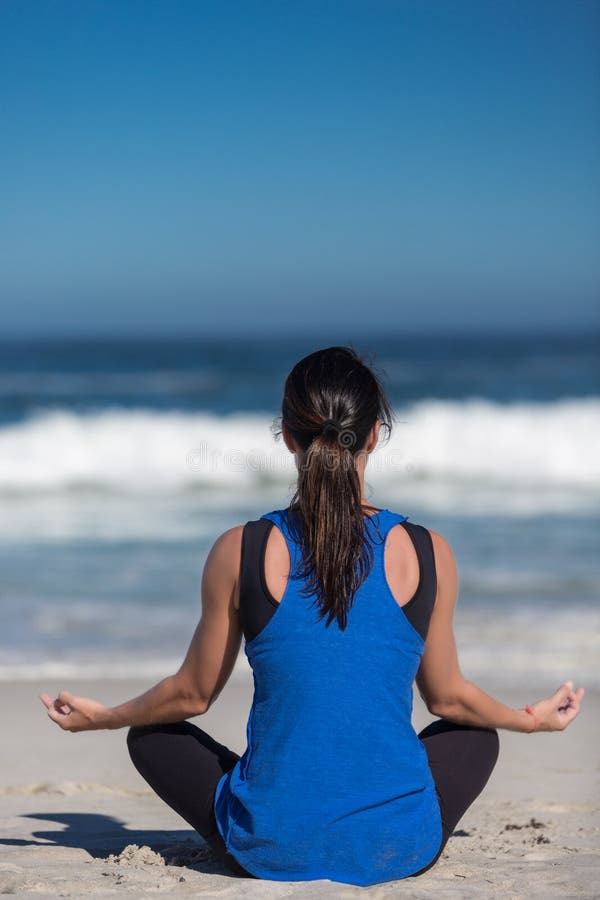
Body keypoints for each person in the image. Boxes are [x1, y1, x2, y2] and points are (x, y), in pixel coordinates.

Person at [40, 345, 584, 887]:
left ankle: (281, 817)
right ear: (374, 434)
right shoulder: (426, 551)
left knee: (149, 735)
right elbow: (447, 699)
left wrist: (104, 717)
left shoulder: (242, 549)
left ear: (288, 435)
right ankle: (379, 817)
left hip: (268, 848)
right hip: (398, 849)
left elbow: (191, 696)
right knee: (476, 734)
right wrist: (530, 719)